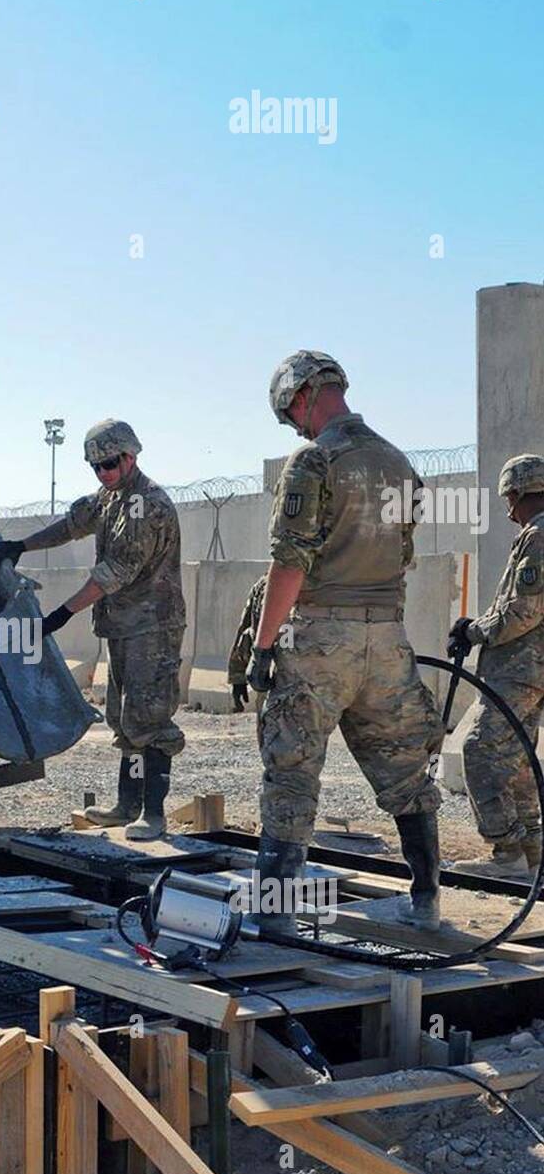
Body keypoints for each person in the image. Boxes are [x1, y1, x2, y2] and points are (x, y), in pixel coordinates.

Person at [248, 352, 444, 931]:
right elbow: (402, 556)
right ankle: (426, 901)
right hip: (386, 638)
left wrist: (262, 649)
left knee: (292, 769)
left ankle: (276, 918)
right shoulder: (398, 461)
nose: (295, 425)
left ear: (304, 392)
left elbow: (290, 563)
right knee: (406, 770)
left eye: (291, 413)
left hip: (320, 639)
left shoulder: (315, 458)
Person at [0, 420, 185, 840]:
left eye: (110, 465)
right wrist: (21, 546)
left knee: (150, 718)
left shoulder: (145, 505)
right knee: (123, 716)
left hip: (153, 626)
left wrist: (60, 615)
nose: (103, 473)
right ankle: (127, 804)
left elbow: (112, 573)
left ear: (130, 457)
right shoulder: (110, 497)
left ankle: (153, 813)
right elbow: (71, 524)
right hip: (122, 626)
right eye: (95, 466)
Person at [447, 454, 544, 879]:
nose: (507, 509)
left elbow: (523, 611)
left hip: (520, 668)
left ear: (521, 493)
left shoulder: (539, 537)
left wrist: (474, 631)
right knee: (516, 758)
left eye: (509, 498)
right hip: (529, 670)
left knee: (479, 749)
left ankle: (506, 852)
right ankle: (532, 854)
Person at [228, 575, 266, 713]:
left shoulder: (268, 584)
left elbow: (244, 631)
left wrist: (238, 678)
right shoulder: (264, 585)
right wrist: (238, 678)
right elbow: (245, 632)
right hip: (275, 678)